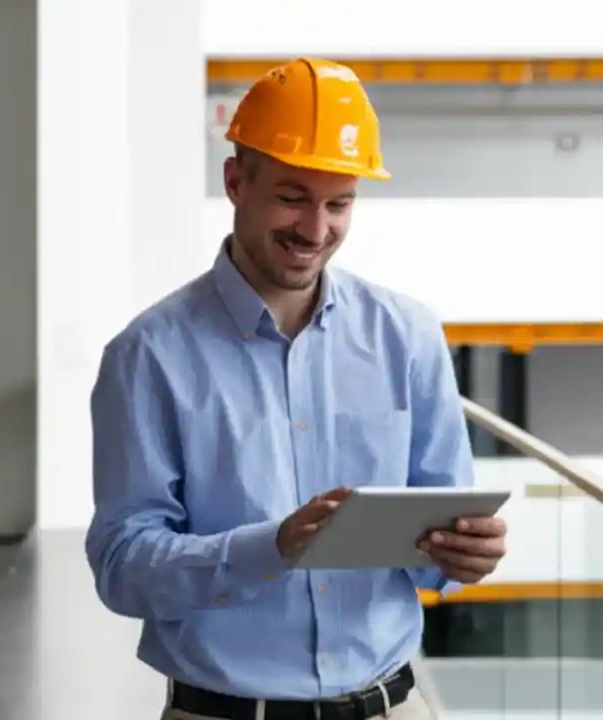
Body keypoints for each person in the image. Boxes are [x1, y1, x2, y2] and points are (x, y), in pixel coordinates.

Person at [86, 57, 508, 720]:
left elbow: (435, 549)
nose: (315, 231)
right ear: (235, 182)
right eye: (292, 197)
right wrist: (271, 548)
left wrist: (464, 556)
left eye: (339, 204)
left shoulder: (408, 335)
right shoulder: (149, 357)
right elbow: (122, 567)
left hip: (391, 705)